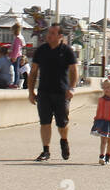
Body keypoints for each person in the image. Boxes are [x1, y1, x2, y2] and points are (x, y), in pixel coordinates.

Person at [28, 24, 78, 161]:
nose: (48, 36)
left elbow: (74, 71)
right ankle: (46, 150)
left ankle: (64, 141)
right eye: (48, 33)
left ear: (60, 36)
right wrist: (31, 91)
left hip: (61, 92)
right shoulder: (41, 50)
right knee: (45, 122)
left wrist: (72, 88)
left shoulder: (67, 51)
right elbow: (33, 72)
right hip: (44, 91)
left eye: (52, 33)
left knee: (62, 124)